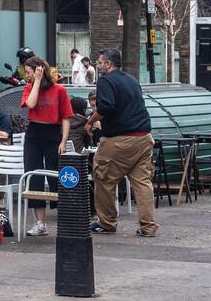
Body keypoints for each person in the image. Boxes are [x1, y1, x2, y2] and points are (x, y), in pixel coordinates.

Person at [88, 49, 159, 238]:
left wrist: (89, 121)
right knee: (142, 182)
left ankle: (107, 222)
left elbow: (106, 107)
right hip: (144, 137)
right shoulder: (132, 80)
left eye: (100, 62)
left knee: (102, 177)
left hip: (119, 139)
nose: (98, 64)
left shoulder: (105, 80)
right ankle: (148, 226)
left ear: (109, 64)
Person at [20, 56, 75, 237]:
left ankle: (65, 218)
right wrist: (35, 82)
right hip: (34, 133)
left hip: (53, 133)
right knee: (34, 175)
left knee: (55, 175)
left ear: (39, 70)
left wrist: (63, 141)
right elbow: (31, 104)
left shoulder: (59, 89)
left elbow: (66, 116)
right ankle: (40, 223)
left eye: (29, 72)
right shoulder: (29, 87)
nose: (27, 75)